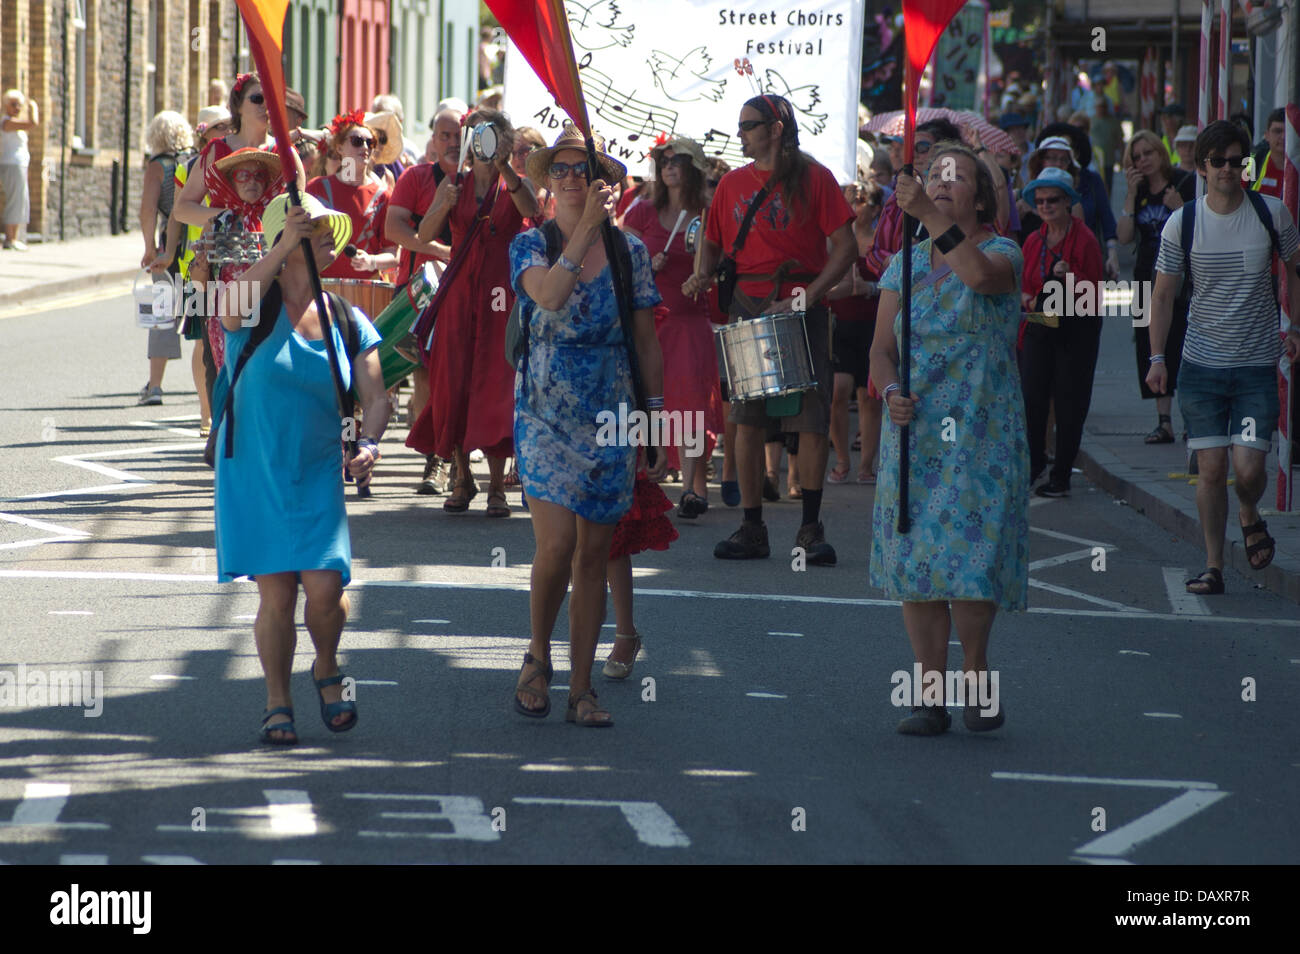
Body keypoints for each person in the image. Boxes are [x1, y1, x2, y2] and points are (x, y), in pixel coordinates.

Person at [213, 192, 389, 744]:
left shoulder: (345, 315)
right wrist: (282, 244)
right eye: (304, 232)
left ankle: (326, 663)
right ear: (282, 240)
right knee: (278, 595)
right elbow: (227, 311)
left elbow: (378, 397)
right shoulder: (253, 304)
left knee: (324, 587)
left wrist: (370, 442)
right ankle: (276, 698)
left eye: (318, 231)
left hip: (316, 468)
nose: (318, 241)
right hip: (256, 467)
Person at [509, 125, 666, 727]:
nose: (572, 177)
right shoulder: (532, 244)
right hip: (544, 408)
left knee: (594, 553)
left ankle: (581, 687)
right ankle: (536, 658)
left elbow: (647, 341)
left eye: (584, 169)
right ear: (548, 181)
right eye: (562, 169)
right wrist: (582, 234)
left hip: (613, 409)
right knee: (556, 546)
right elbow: (548, 297)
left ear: (604, 181)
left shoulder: (632, 252)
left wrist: (655, 419)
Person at [868, 141, 1027, 735]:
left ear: (981, 196)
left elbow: (980, 278)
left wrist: (929, 218)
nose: (942, 182)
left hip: (983, 432)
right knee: (918, 563)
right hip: (916, 433)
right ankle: (929, 694)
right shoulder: (901, 264)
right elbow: (881, 352)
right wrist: (889, 395)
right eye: (934, 174)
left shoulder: (1004, 251)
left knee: (973, 562)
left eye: (957, 176)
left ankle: (976, 673)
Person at [684, 95, 856, 565]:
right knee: (745, 419)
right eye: (740, 125)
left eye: (749, 125)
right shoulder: (731, 185)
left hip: (801, 305)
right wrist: (703, 272)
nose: (740, 133)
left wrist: (809, 295)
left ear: (776, 128)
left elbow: (845, 249)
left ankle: (810, 529)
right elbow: (714, 244)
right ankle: (752, 528)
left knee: (811, 419)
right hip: (747, 305)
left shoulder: (815, 178)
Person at [1146, 120, 1300, 596]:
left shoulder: (1271, 213)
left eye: (1239, 161)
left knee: (1250, 469)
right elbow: (1165, 294)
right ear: (1202, 168)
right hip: (1201, 367)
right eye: (1220, 162)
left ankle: (1250, 511)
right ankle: (1213, 564)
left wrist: (1292, 327)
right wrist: (1156, 358)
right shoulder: (1183, 221)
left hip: (1256, 366)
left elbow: (1294, 270)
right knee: (1212, 468)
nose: (1230, 170)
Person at [406, 108, 539, 516]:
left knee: (497, 387)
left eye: (494, 134)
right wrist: (440, 206)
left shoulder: (515, 183)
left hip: (501, 296)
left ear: (504, 140)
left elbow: (531, 208)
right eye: (478, 135)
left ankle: (497, 486)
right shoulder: (454, 184)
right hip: (460, 296)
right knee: (456, 385)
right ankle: (463, 478)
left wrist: (507, 170)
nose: (485, 142)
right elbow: (423, 237)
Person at [622, 137, 723, 517]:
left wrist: (703, 275)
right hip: (648, 321)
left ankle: (693, 490)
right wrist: (647, 261)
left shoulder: (707, 214)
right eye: (662, 161)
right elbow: (620, 256)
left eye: (676, 160)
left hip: (689, 321)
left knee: (692, 404)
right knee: (644, 399)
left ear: (692, 168)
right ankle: (640, 478)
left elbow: (717, 265)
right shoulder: (643, 212)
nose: (668, 166)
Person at [386, 104, 463, 495]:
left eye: (459, 134)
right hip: (420, 291)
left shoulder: (479, 183)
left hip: (466, 293)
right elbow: (393, 227)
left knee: (461, 377)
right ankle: (435, 457)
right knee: (423, 376)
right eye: (444, 135)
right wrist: (438, 250)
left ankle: (454, 458)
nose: (452, 142)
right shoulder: (416, 177)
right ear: (433, 140)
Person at [1019, 166, 1105, 497]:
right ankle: (1035, 462)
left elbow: (1096, 292)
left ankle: (1061, 475)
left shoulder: (1084, 239)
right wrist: (1026, 297)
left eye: (1052, 199)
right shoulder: (1033, 240)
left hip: (1076, 325)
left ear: (1067, 201)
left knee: (1070, 402)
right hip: (1041, 321)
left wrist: (1070, 277)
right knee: (1033, 396)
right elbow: (1024, 285)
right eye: (1039, 200)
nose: (1045, 206)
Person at [1117, 129, 1195, 444]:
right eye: (1136, 157)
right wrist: (1130, 196)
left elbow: (1198, 229)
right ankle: (1164, 421)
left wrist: (1179, 207)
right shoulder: (1138, 191)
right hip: (1144, 276)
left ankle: (1191, 419)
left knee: (1182, 343)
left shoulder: (1184, 183)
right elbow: (1123, 237)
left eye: (1148, 153)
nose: (1143, 160)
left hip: (1180, 277)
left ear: (1161, 153)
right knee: (1151, 348)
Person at [137, 111, 195, 406]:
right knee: (203, 311)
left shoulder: (157, 167)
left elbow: (148, 210)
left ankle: (155, 387)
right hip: (199, 244)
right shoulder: (196, 159)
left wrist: (149, 247)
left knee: (161, 315)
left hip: (169, 250)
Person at [827, 180, 883, 484]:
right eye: (851, 199)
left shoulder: (879, 240)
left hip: (874, 325)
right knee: (838, 390)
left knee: (869, 397)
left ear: (874, 208)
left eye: (860, 200)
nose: (854, 205)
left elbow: (896, 282)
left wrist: (870, 288)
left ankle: (865, 466)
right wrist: (839, 291)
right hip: (841, 324)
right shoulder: (836, 240)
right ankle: (841, 459)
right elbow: (822, 282)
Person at [306, 110, 398, 280]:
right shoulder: (316, 188)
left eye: (370, 143)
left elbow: (394, 254)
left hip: (365, 293)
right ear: (339, 147)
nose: (364, 147)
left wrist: (372, 261)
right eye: (357, 141)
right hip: (321, 288)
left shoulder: (382, 196)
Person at [1034, 123, 1119, 279]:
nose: (1058, 163)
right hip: (1039, 272)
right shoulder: (1028, 192)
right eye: (1051, 157)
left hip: (1080, 267)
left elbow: (1107, 219)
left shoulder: (1091, 181)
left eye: (1064, 157)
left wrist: (1112, 254)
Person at [1, 89, 38, 251]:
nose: (17, 108)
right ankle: (10, 238)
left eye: (19, 105)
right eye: (13, 104)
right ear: (6, 105)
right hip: (11, 164)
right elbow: (33, 123)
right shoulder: (6, 122)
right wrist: (34, 108)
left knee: (21, 200)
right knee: (15, 199)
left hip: (19, 164)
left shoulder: (13, 121)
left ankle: (14, 237)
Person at [1251, 108, 1286, 199]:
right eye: (1278, 131)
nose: (1283, 137)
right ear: (1267, 135)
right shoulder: (1252, 162)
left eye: (1288, 132)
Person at [1090, 98, 1121, 193]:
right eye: (1099, 107)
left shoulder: (1113, 121)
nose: (1101, 109)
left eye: (1103, 106)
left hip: (1109, 160)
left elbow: (1120, 139)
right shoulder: (1091, 120)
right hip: (1095, 161)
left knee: (1108, 184)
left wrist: (1122, 157)